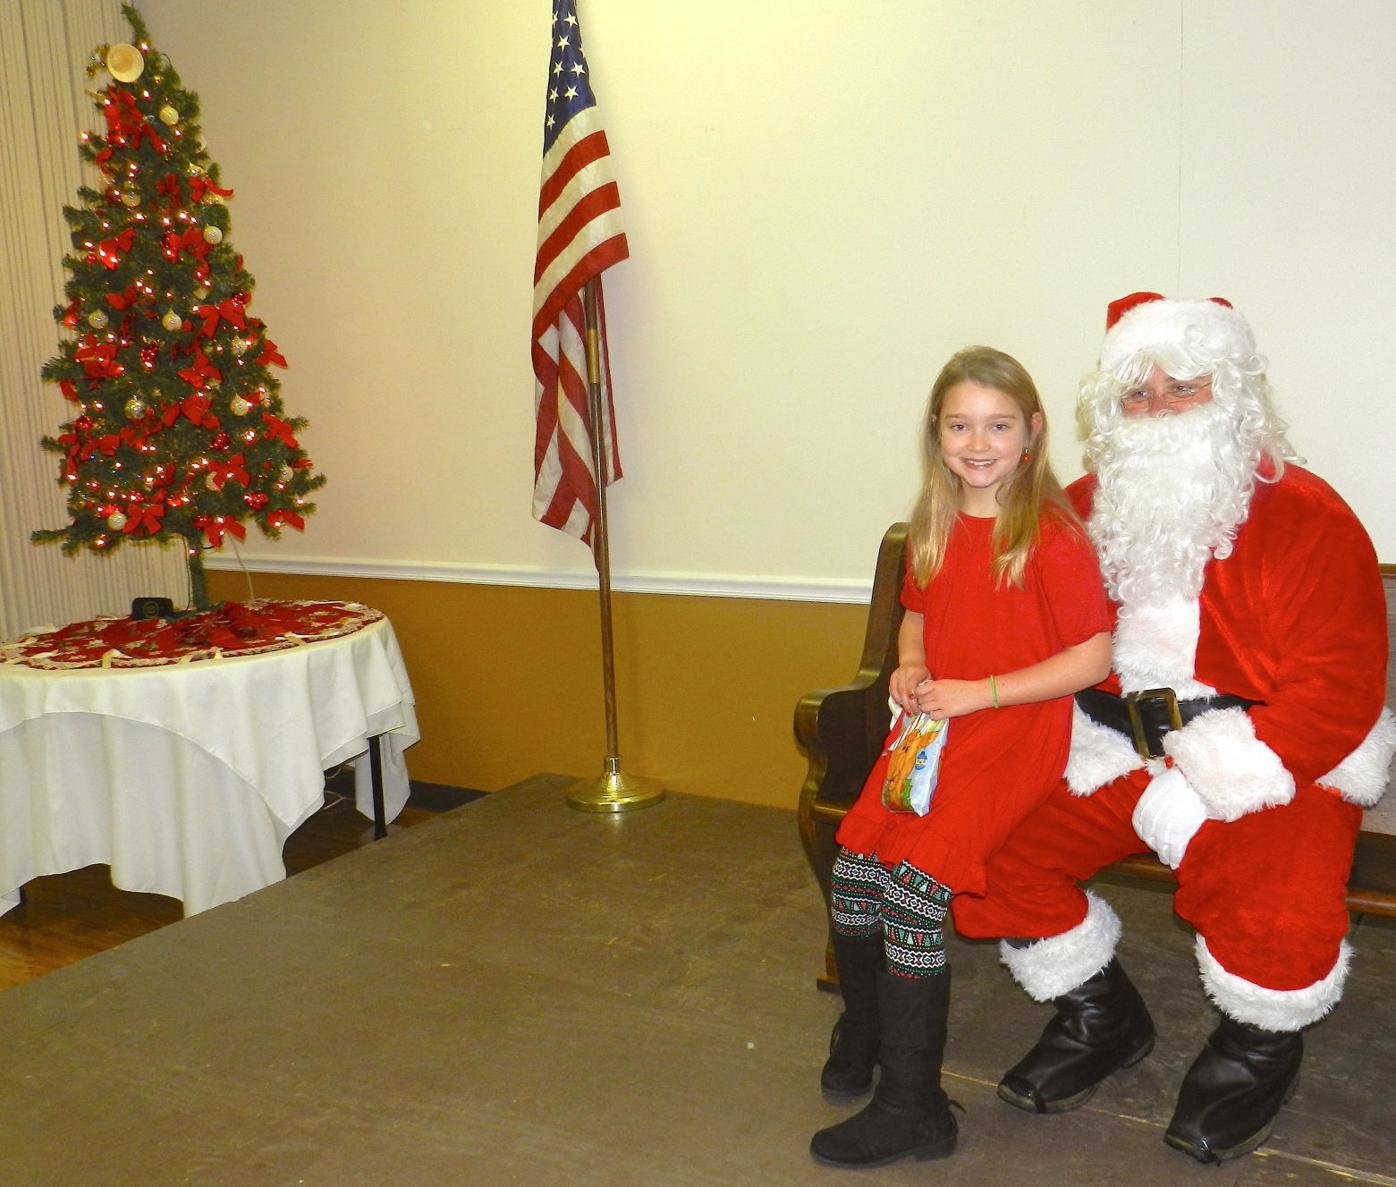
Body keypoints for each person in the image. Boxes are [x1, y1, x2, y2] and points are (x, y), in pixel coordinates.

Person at [953, 293, 1395, 1164]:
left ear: (1232, 393)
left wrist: (1212, 780)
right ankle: (1101, 1013)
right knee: (986, 846)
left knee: (1275, 901)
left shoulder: (1307, 514)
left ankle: (1257, 1044)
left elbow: (1337, 690)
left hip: (1269, 749)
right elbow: (1014, 624)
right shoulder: (1079, 507)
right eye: (1137, 392)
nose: (1157, 408)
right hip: (1108, 742)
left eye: (1183, 387)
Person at [810, 346, 1113, 1169]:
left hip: (1012, 730)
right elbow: (917, 616)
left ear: (1032, 433)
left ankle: (914, 1106)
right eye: (960, 426)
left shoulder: (1051, 534)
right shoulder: (935, 525)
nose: (978, 444)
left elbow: (1091, 656)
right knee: (854, 871)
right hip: (935, 727)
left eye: (998, 426)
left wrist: (982, 691)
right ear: (936, 434)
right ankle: (867, 1030)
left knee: (912, 889)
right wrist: (909, 665)